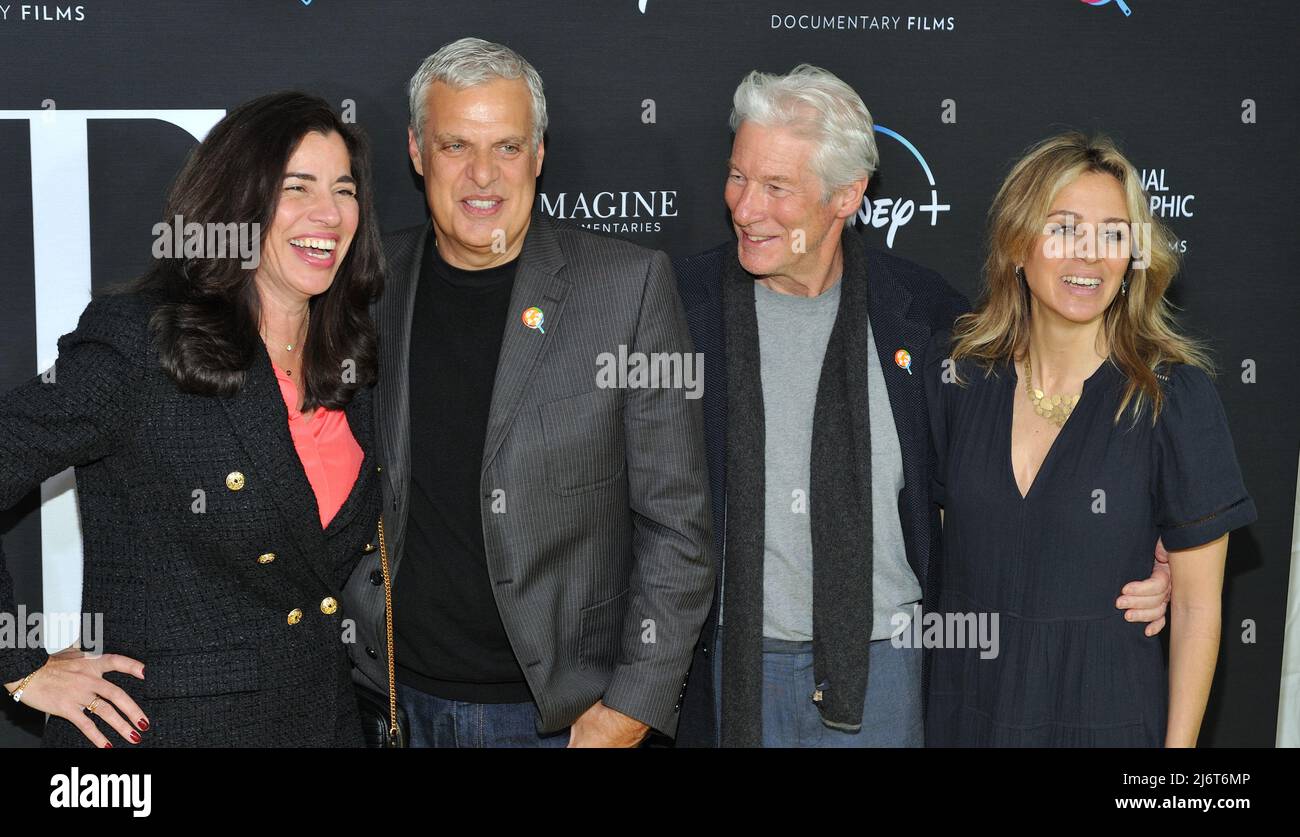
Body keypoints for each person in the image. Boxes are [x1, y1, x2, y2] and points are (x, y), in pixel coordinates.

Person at [672, 66, 1173, 748]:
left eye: (776, 187)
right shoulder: (680, 307)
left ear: (847, 195)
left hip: (888, 667)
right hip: (727, 663)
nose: (745, 206)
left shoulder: (927, 316)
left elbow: (1002, 488)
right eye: (738, 176)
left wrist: (1151, 552)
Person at [341, 37, 713, 748]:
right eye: (456, 145)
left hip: (556, 721)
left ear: (539, 156)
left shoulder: (625, 289)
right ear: (417, 151)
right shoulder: (369, 284)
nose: (483, 174)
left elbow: (679, 527)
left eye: (507, 147)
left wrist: (629, 710)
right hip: (391, 704)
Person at [0, 92, 384, 747]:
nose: (328, 213)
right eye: (297, 187)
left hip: (323, 722)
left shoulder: (352, 359)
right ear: (238, 200)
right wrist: (19, 669)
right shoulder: (145, 345)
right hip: (175, 730)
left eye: (343, 189)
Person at [924, 132, 1257, 746]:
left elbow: (1195, 609)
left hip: (1105, 718)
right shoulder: (961, 379)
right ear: (1018, 246)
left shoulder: (1171, 398)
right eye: (1064, 228)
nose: (1090, 254)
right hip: (967, 713)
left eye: (1111, 233)